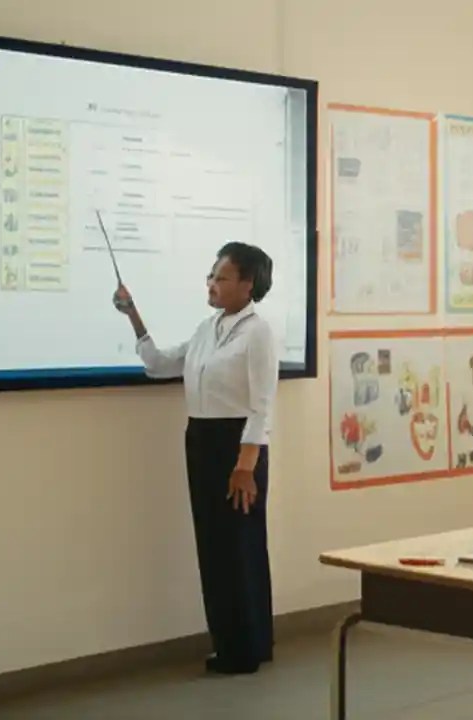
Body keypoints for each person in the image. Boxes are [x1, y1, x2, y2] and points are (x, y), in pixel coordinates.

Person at [112, 242, 279, 675]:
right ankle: (233, 644)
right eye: (211, 275)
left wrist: (245, 467)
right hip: (202, 441)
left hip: (238, 447)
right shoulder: (208, 329)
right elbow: (159, 364)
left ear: (248, 284)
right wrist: (133, 315)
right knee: (214, 547)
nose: (212, 283)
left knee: (240, 547)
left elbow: (262, 405)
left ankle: (246, 648)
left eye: (221, 277)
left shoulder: (257, 331)